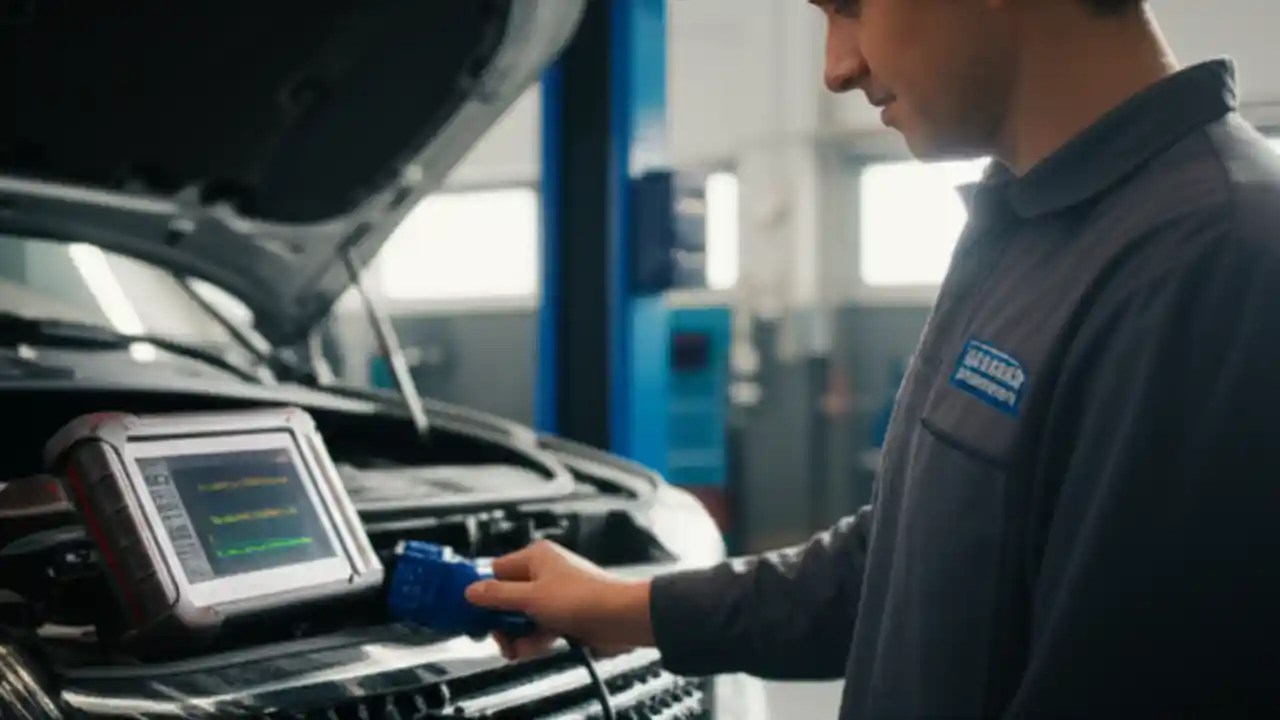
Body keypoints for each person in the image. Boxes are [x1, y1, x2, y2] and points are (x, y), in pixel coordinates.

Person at [467, 0, 1280, 716]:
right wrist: (626, 607)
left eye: (849, 5)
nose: (837, 68)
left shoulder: (1220, 262)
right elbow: (908, 569)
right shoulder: (1029, 224)